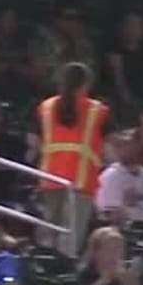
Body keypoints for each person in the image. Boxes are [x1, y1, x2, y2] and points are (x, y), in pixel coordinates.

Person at [36, 62, 108, 255]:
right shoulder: (97, 110)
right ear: (87, 83)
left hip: (50, 178)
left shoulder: (46, 107)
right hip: (81, 180)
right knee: (69, 241)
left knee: (48, 236)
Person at [95, 132, 143, 228]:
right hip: (124, 230)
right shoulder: (110, 176)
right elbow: (110, 214)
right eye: (123, 146)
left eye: (131, 145)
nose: (128, 150)